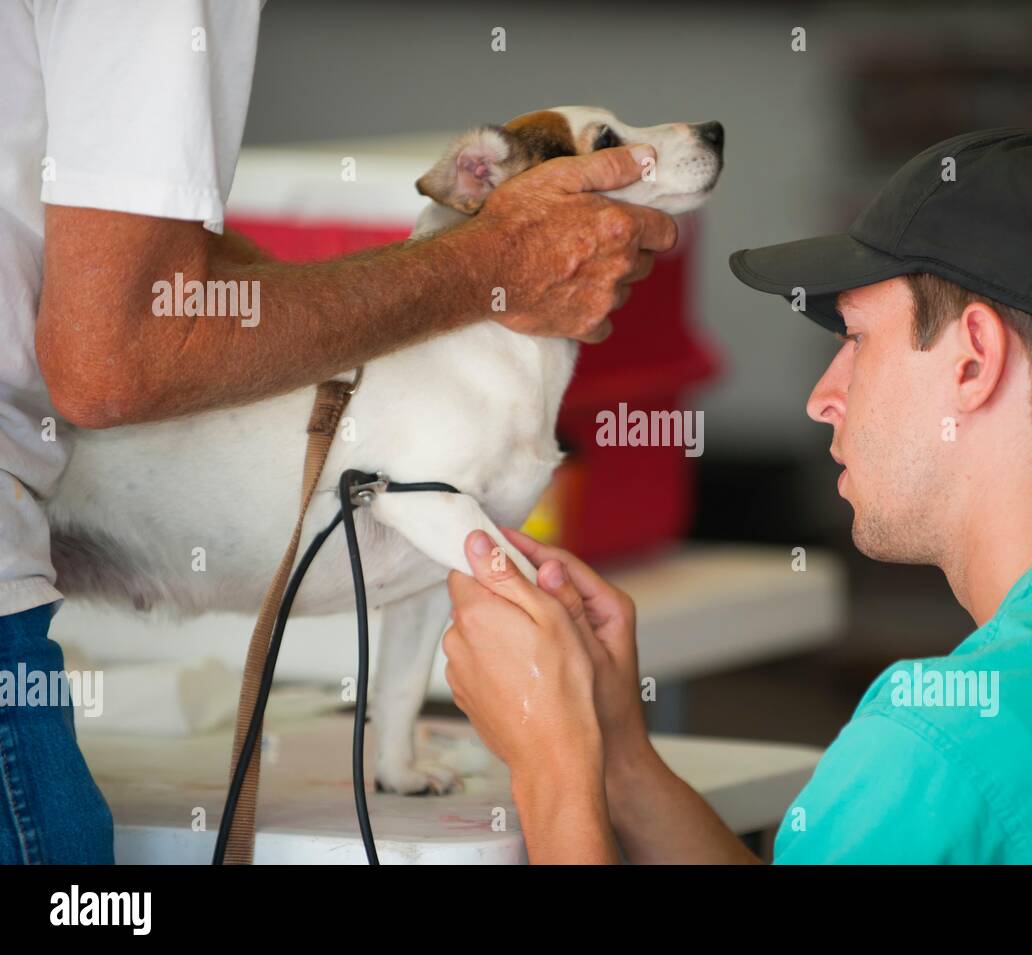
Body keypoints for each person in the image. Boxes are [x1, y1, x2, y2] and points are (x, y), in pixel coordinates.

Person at [443, 128, 1032, 863]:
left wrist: (552, 766)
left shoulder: (940, 748)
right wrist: (621, 757)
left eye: (856, 337)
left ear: (974, 361)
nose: (824, 395)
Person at [0, 0, 674, 864]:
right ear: (479, 179)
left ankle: (393, 750)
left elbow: (130, 262)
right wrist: (491, 265)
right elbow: (108, 361)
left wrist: (394, 750)